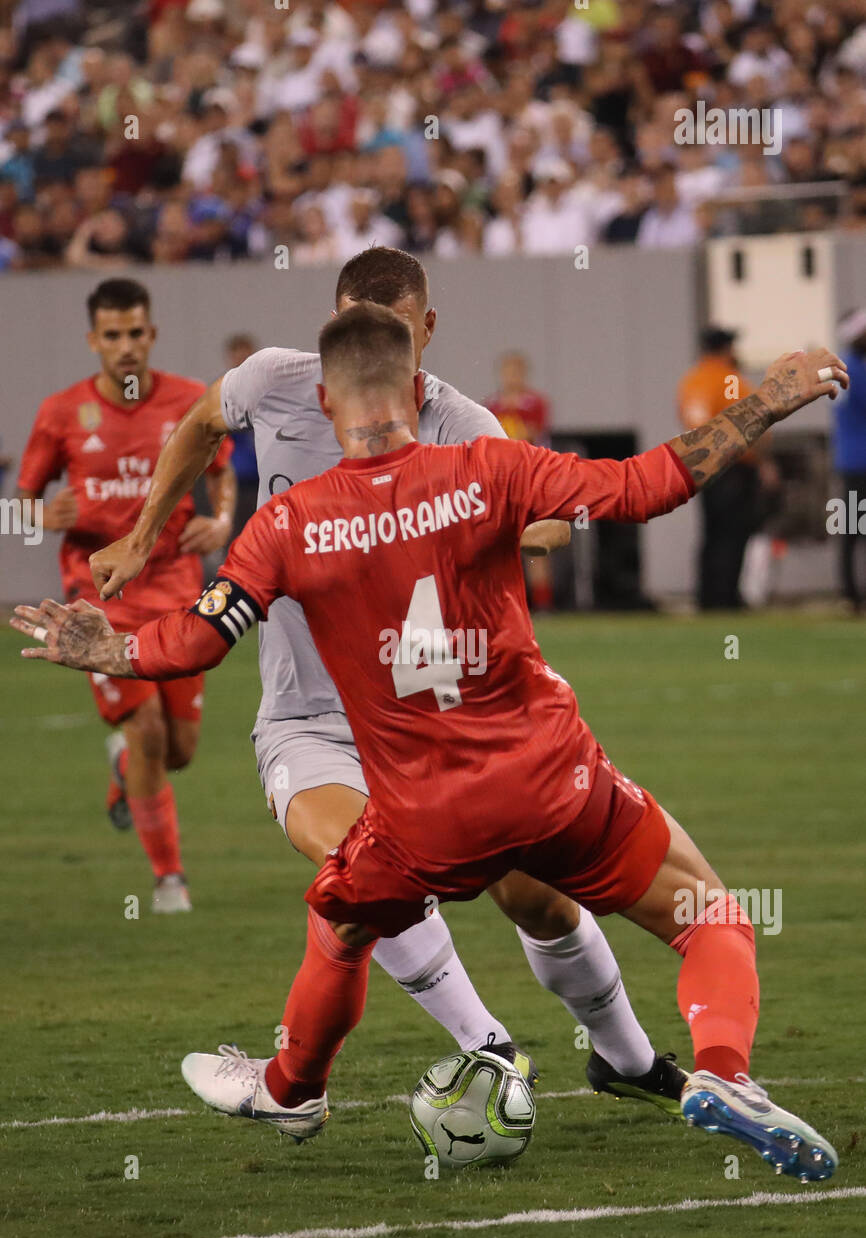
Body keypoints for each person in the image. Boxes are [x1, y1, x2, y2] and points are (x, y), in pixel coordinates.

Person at [14, 304, 848, 1183]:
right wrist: (762, 403)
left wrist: (107, 646)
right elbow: (644, 488)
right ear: (417, 388)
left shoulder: (289, 523)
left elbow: (196, 641)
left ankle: (295, 1082)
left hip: (419, 815)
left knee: (339, 919)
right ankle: (721, 1072)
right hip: (549, 778)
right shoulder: (488, 466)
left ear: (326, 406)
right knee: (710, 914)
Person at [80, 249, 682, 1113]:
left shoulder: (465, 427)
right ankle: (490, 1048)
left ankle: (624, 1058)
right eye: (349, 331)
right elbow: (201, 423)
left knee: (539, 902)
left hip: (436, 720)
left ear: (426, 333)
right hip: (309, 720)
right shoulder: (272, 383)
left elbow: (545, 523)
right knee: (356, 869)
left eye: (393, 334)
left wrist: (471, 530)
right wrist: (142, 537)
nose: (370, 355)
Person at [16, 278, 236, 913]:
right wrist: (36, 517)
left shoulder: (193, 401)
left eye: (135, 333)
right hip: (98, 600)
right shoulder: (62, 413)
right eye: (112, 336)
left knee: (181, 751)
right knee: (145, 731)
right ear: (93, 341)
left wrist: (221, 523)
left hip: (176, 591)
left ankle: (124, 773)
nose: (126, 347)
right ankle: (169, 881)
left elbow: (223, 479)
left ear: (152, 334)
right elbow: (15, 506)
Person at [677, 325, 776, 609]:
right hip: (732, 466)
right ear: (724, 348)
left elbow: (694, 424)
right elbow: (752, 425)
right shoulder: (726, 379)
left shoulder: (694, 379)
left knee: (713, 533)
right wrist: (761, 460)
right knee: (732, 534)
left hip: (704, 467)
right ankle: (725, 598)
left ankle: (709, 597)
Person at [484, 351, 556, 611]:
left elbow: (532, 435)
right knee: (498, 543)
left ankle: (543, 602)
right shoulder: (491, 405)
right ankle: (503, 603)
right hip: (499, 481)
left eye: (516, 371)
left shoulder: (535, 403)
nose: (511, 376)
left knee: (534, 541)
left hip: (528, 478)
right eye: (507, 371)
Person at [832, 307, 866, 611]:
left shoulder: (845, 365)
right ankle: (851, 594)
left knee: (852, 528)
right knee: (854, 529)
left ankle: (850, 593)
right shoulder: (856, 369)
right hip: (861, 460)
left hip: (849, 460)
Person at [222, 332, 259, 538]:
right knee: (235, 540)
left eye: (247, 355)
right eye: (238, 355)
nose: (242, 360)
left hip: (264, 482)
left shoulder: (267, 392)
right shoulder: (221, 395)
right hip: (235, 484)